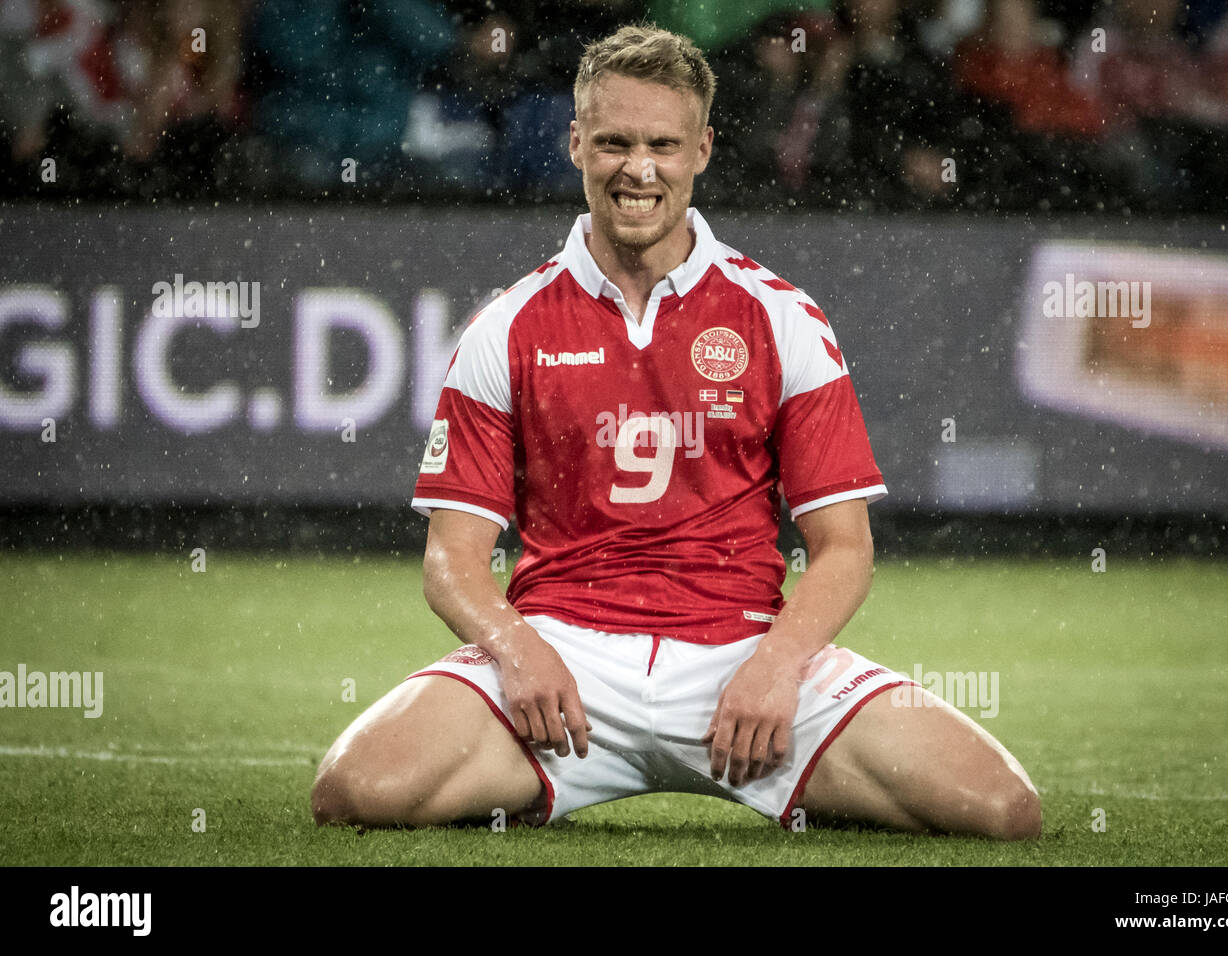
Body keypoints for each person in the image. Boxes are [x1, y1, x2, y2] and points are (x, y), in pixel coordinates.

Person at [311, 23, 1041, 839]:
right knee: (356, 789)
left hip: (743, 661)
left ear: (702, 150)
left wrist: (775, 666)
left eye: (664, 143)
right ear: (577, 143)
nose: (639, 169)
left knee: (1001, 810)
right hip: (563, 666)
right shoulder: (505, 328)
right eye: (616, 142)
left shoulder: (781, 317)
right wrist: (517, 651)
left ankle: (784, 770)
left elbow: (844, 548)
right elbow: (451, 560)